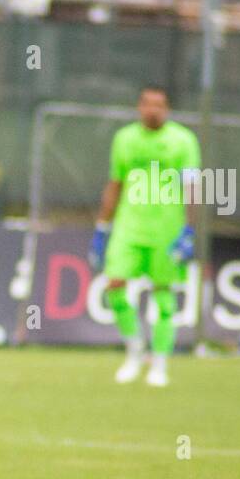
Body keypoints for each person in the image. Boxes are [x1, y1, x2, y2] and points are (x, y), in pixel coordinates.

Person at [88, 85, 200, 387]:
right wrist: (102, 227)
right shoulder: (124, 139)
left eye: (159, 105)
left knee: (163, 296)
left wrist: (190, 230)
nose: (153, 110)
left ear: (168, 109)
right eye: (148, 104)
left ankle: (159, 363)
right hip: (129, 226)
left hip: (167, 229)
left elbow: (192, 186)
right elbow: (115, 183)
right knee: (114, 285)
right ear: (139, 107)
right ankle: (135, 350)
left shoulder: (183, 141)